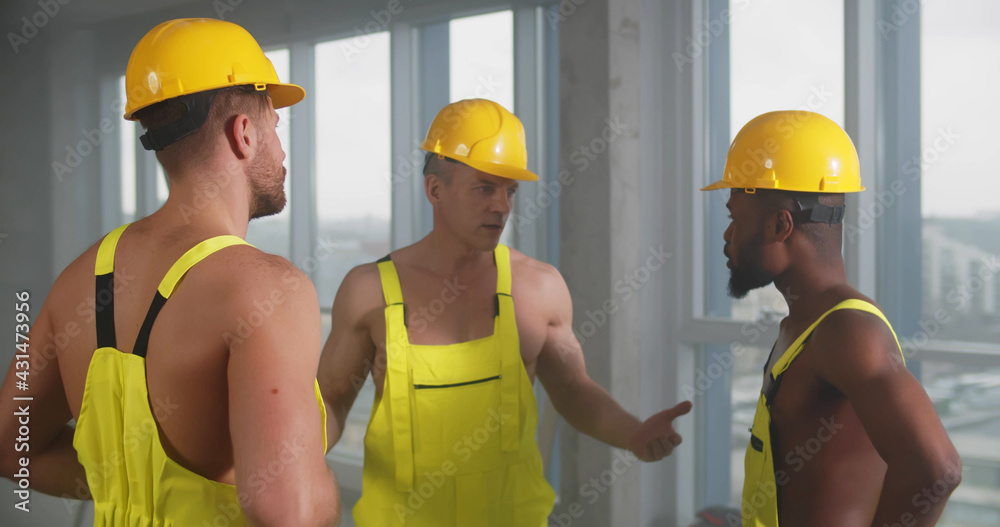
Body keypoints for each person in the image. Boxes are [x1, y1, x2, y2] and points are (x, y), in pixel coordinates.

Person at [0, 18, 339, 526]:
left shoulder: (78, 278)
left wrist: (128, 487)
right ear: (244, 134)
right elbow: (288, 512)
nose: (282, 149)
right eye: (274, 126)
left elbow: (9, 447)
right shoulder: (269, 288)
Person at [317, 98, 692, 526]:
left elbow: (573, 390)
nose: (502, 205)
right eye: (484, 188)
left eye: (510, 190)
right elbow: (331, 400)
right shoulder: (369, 291)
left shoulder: (538, 289)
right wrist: (284, 469)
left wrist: (633, 433)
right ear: (435, 190)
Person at [702, 110, 961, 526]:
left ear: (780, 226)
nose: (727, 234)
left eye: (735, 217)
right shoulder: (804, 323)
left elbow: (937, 470)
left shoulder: (848, 331)